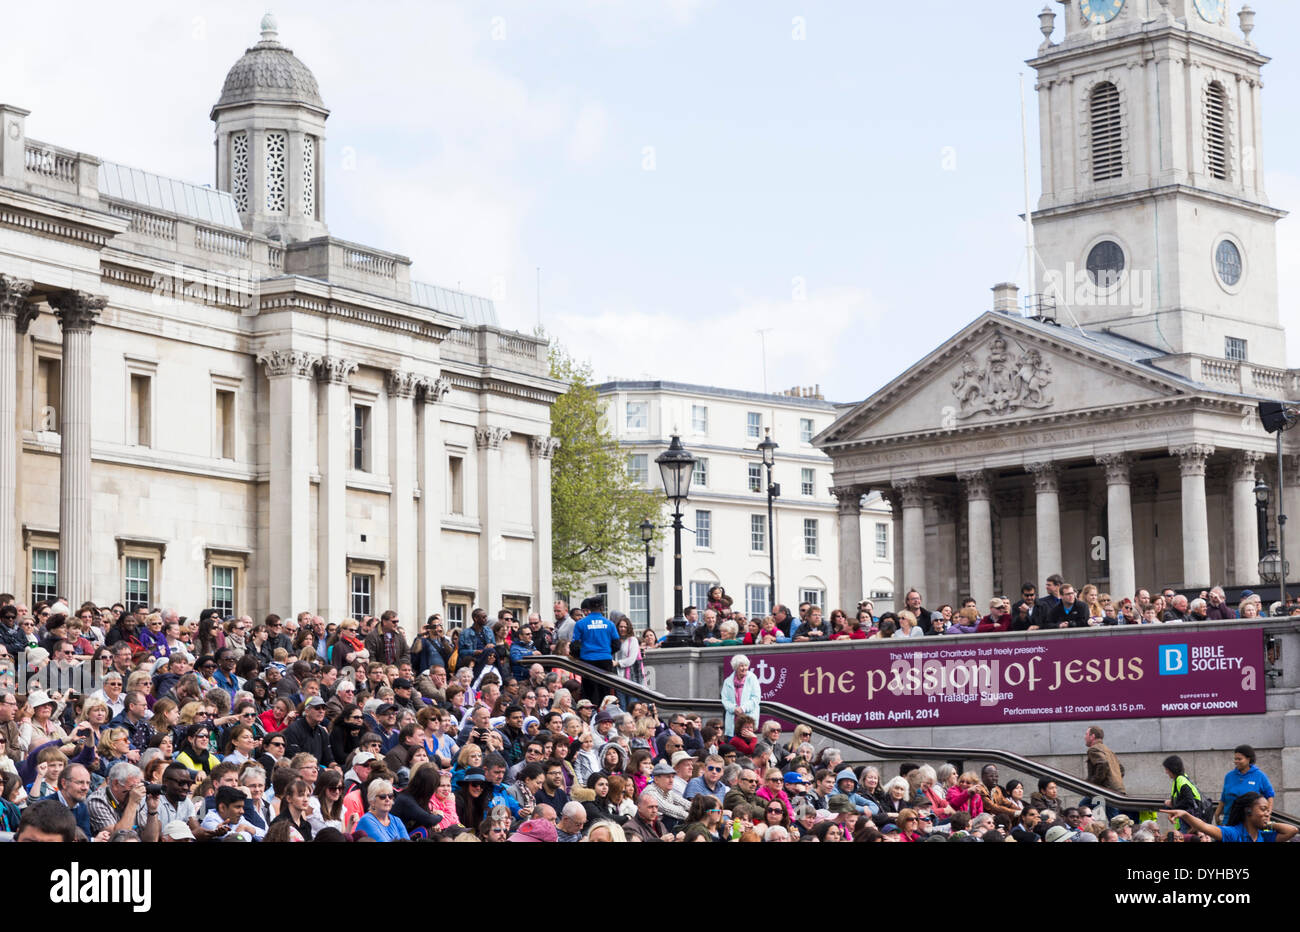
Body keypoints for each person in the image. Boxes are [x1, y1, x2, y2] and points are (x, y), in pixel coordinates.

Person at [1164, 792, 1298, 843]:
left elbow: (1292, 830)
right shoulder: (1232, 834)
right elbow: (1204, 826)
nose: (1267, 813)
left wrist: (1269, 824)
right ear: (1248, 811)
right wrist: (1186, 815)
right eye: (1263, 809)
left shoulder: (1265, 837)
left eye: (1268, 810)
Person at [571, 596, 619, 702]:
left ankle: (590, 713)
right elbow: (616, 644)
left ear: (589, 607)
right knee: (605, 692)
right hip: (605, 660)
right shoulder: (609, 624)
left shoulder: (581, 624)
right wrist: (605, 651)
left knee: (588, 692)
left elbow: (575, 646)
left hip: (587, 660)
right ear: (602, 608)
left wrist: (580, 655)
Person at [1213, 744, 1275, 824]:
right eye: (1235, 759)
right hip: (1229, 821)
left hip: (1250, 822)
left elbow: (1270, 796)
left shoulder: (1259, 776)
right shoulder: (1229, 776)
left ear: (1248, 759)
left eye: (1239, 759)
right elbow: (1224, 798)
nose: (1236, 761)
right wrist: (1217, 814)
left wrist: (1267, 815)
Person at [1083, 725, 1125, 816]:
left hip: (1106, 791)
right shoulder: (1108, 750)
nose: (1084, 737)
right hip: (1116, 790)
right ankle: (1097, 827)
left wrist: (1094, 782)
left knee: (1084, 808)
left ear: (1092, 736)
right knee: (1103, 816)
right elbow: (1121, 769)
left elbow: (1102, 763)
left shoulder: (1093, 749)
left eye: (1086, 734)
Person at [720, 654, 761, 738]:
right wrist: (734, 709)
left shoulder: (752, 678)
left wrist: (743, 708)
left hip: (748, 719)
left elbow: (756, 698)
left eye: (746, 665)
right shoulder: (728, 681)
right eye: (741, 666)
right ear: (735, 667)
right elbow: (725, 699)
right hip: (733, 720)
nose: (744, 668)